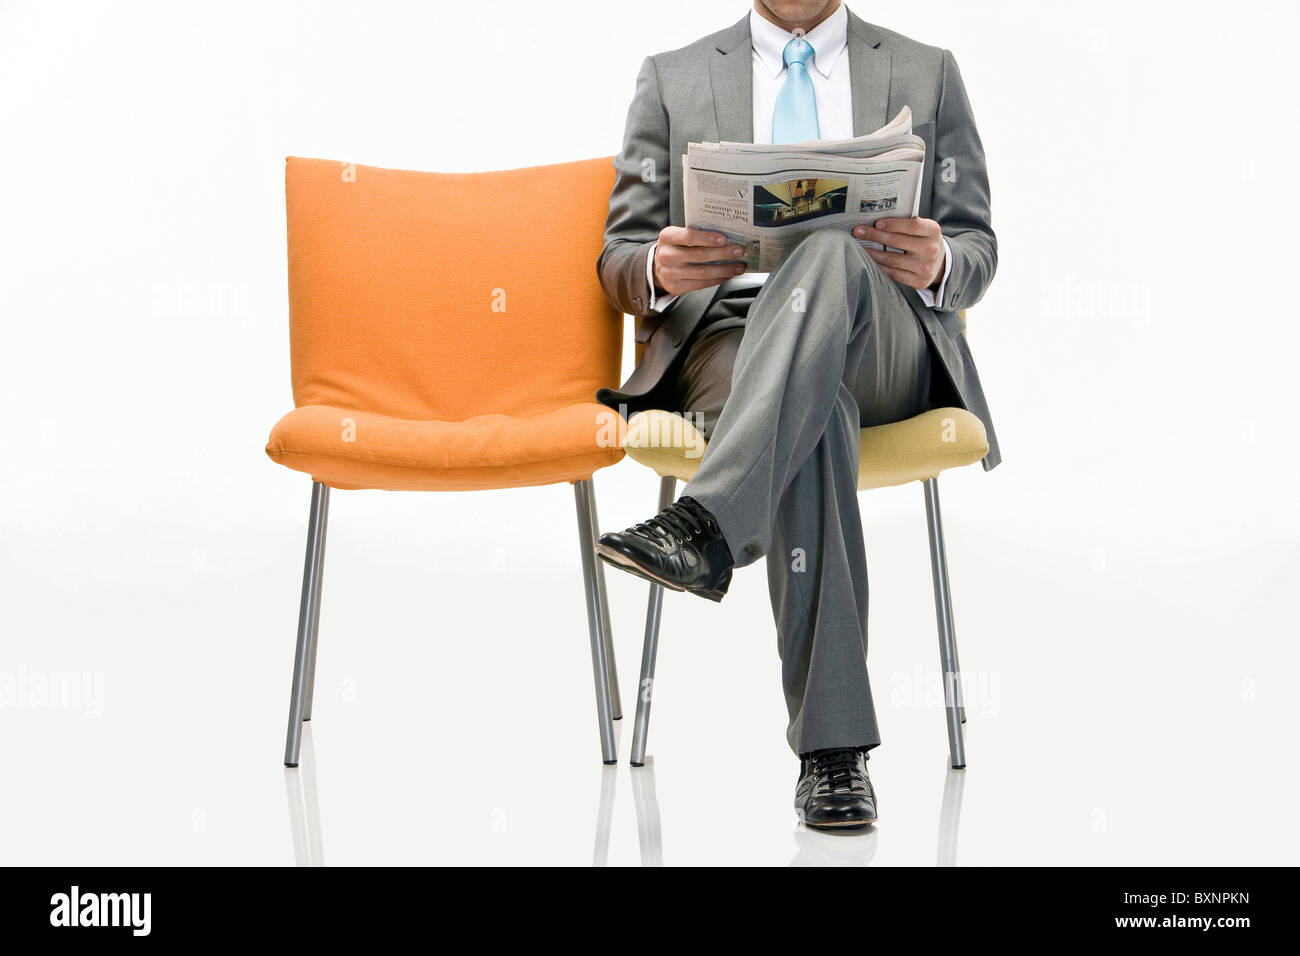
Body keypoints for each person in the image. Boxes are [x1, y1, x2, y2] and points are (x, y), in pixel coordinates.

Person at [594, 0, 1000, 828]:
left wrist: (941, 260)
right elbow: (617, 259)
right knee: (811, 403)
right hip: (729, 342)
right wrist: (660, 268)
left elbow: (978, 247)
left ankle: (706, 525)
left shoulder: (928, 70)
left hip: (882, 334)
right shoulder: (672, 77)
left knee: (827, 258)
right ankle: (833, 754)